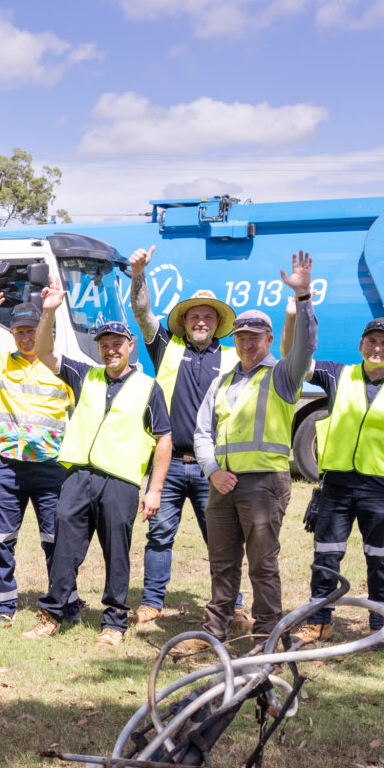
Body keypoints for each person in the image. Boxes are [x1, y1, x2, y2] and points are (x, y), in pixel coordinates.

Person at [182, 253, 318, 656]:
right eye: (241, 336)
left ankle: (266, 638)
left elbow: (306, 344)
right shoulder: (222, 382)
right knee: (222, 566)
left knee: (262, 566)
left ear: (269, 340)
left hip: (264, 486)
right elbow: (202, 431)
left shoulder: (283, 375)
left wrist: (304, 297)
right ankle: (214, 633)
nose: (247, 342)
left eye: (255, 336)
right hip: (222, 485)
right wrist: (211, 471)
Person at [33, 318, 172, 646]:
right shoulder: (85, 375)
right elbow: (42, 351)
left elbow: (163, 438)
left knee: (116, 552)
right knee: (64, 546)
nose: (110, 350)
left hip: (121, 481)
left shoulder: (148, 388)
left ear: (130, 345)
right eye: (104, 344)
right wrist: (49, 311)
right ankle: (52, 615)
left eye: (116, 344)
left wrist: (155, 489)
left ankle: (113, 623)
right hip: (79, 475)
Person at [0, 263, 82, 623]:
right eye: (20, 331)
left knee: (56, 540)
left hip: (50, 468)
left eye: (32, 331)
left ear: (43, 331)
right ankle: (3, 604)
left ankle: (65, 602)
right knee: (1, 537)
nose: (27, 337)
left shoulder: (62, 368)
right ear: (12, 334)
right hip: (8, 467)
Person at [291, 317, 384, 650]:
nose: (378, 348)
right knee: (326, 555)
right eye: (372, 341)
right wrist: (298, 313)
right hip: (337, 483)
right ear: (361, 345)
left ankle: (380, 628)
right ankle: (319, 623)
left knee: (379, 558)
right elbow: (297, 360)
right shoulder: (339, 374)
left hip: (380, 486)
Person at [128, 247, 240, 630]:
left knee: (222, 540)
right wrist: (138, 275)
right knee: (159, 536)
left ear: (218, 322)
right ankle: (152, 602)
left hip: (214, 468)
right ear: (185, 321)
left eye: (208, 316)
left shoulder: (233, 358)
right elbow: (142, 313)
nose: (202, 321)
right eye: (195, 316)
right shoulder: (165, 347)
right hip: (170, 463)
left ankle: (233, 605)